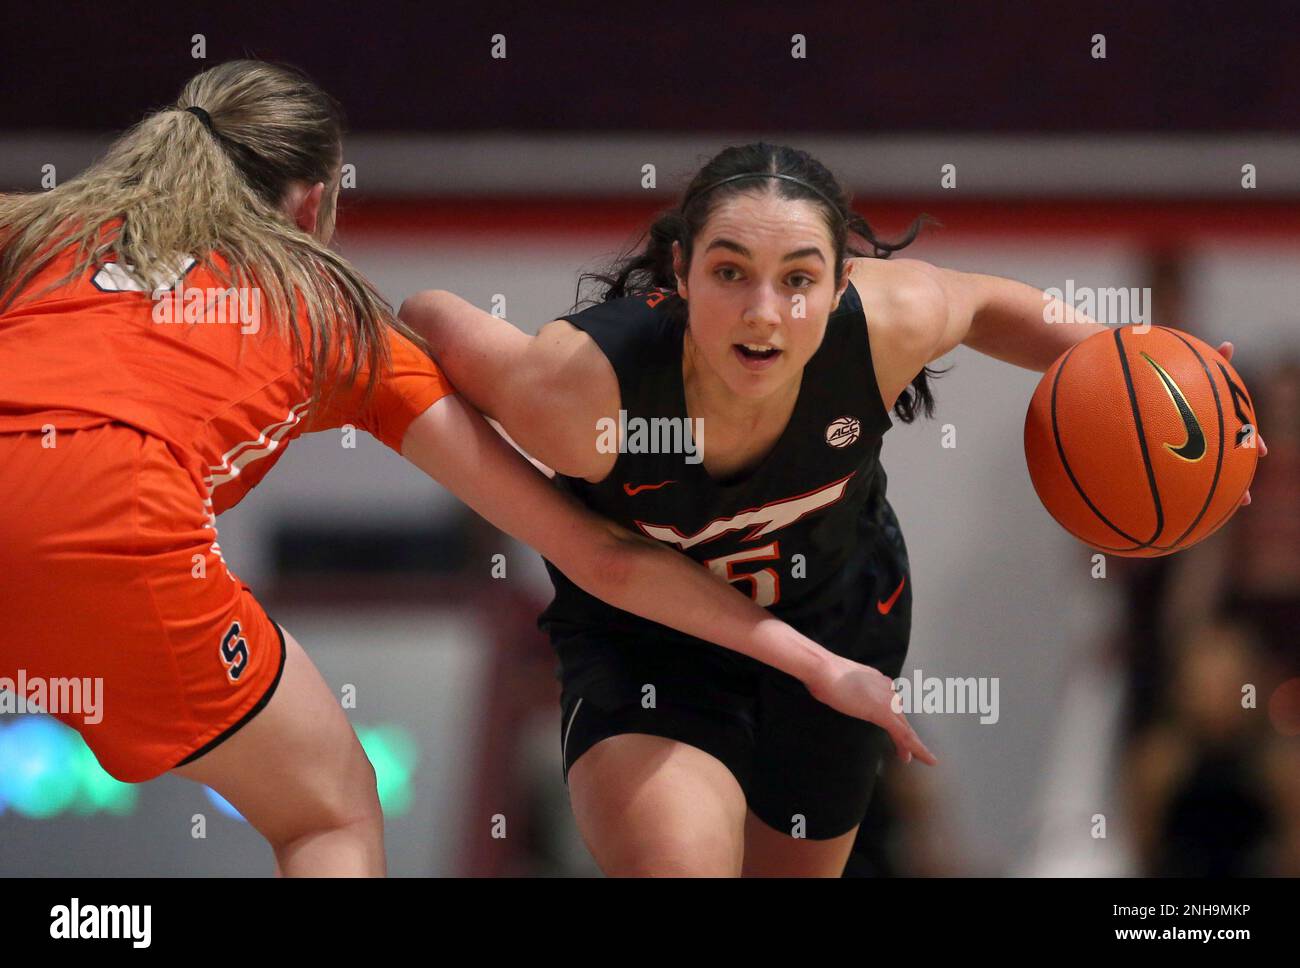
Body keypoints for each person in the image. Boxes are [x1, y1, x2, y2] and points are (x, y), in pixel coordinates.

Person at [0, 73, 930, 877]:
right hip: (111, 525)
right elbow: (596, 558)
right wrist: (816, 662)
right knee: (326, 809)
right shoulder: (328, 311)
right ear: (310, 204)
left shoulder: (32, 234)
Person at [400, 141, 1262, 876]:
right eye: (730, 272)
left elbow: (989, 305)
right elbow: (423, 315)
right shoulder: (582, 391)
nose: (765, 313)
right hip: (649, 642)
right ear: (679, 273)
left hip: (836, 623)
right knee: (677, 861)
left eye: (799, 278)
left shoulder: (889, 320)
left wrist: (1149, 377)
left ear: (844, 282)